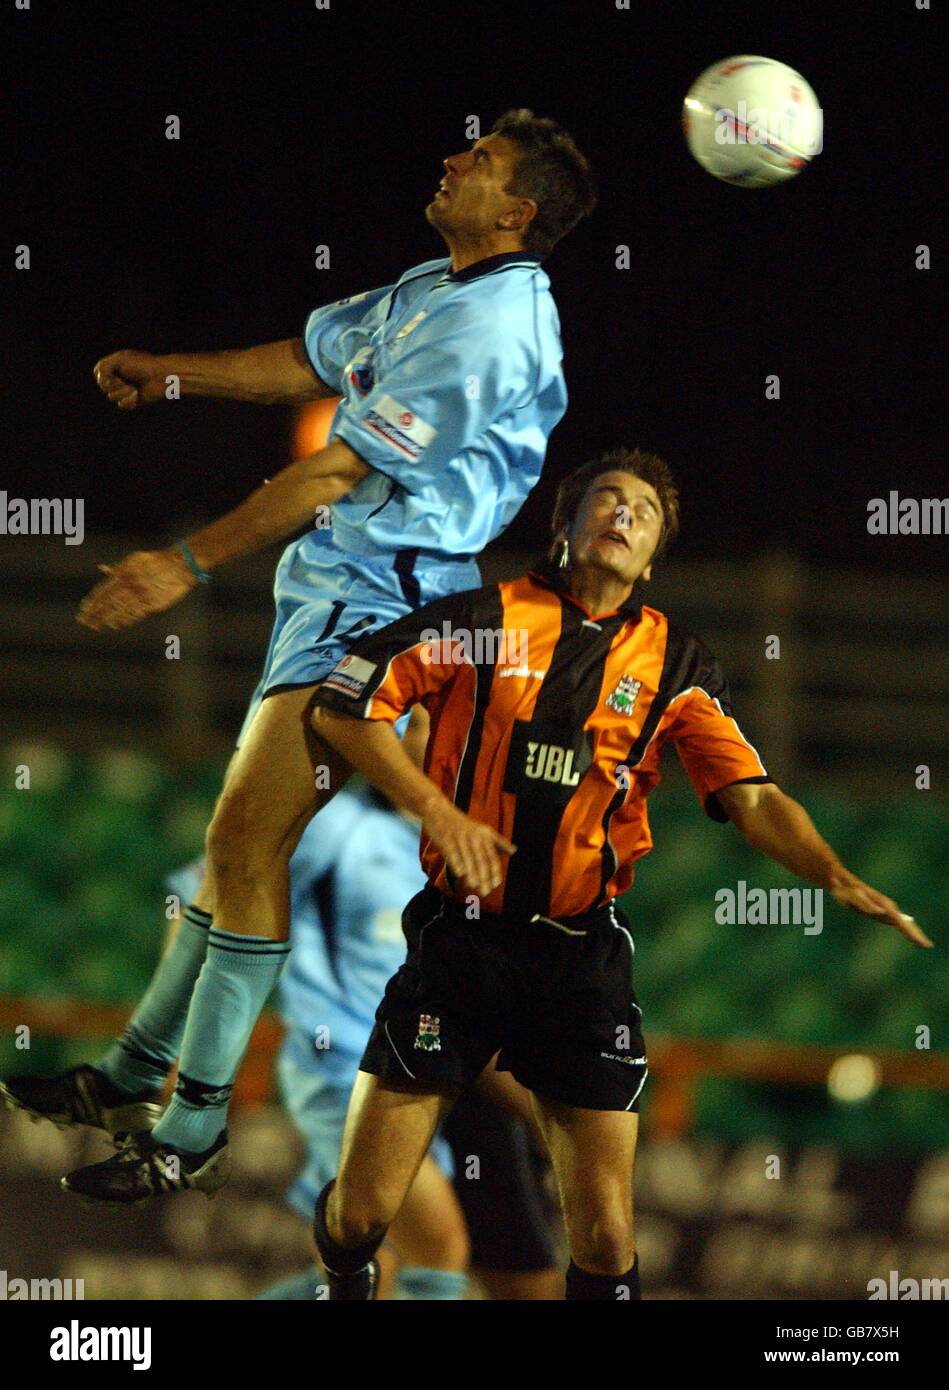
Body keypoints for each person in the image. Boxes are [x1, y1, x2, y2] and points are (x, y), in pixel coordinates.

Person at [2, 110, 596, 1203]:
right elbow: (300, 359)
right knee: (237, 850)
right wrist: (168, 372)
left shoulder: (498, 326)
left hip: (392, 606)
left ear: (516, 211)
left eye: (479, 162)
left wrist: (186, 561)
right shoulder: (432, 288)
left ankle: (189, 1129)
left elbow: (332, 473)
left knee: (244, 843)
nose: (451, 158)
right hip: (337, 592)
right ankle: (135, 1075)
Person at [296, 445, 932, 1300]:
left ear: (653, 554)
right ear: (564, 523)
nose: (624, 515)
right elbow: (343, 705)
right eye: (607, 498)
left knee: (603, 1238)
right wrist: (439, 812)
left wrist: (829, 871)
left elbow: (749, 794)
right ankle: (344, 1268)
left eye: (644, 511)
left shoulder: (676, 665)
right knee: (364, 1210)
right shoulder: (479, 619)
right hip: (458, 947)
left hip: (579, 961)